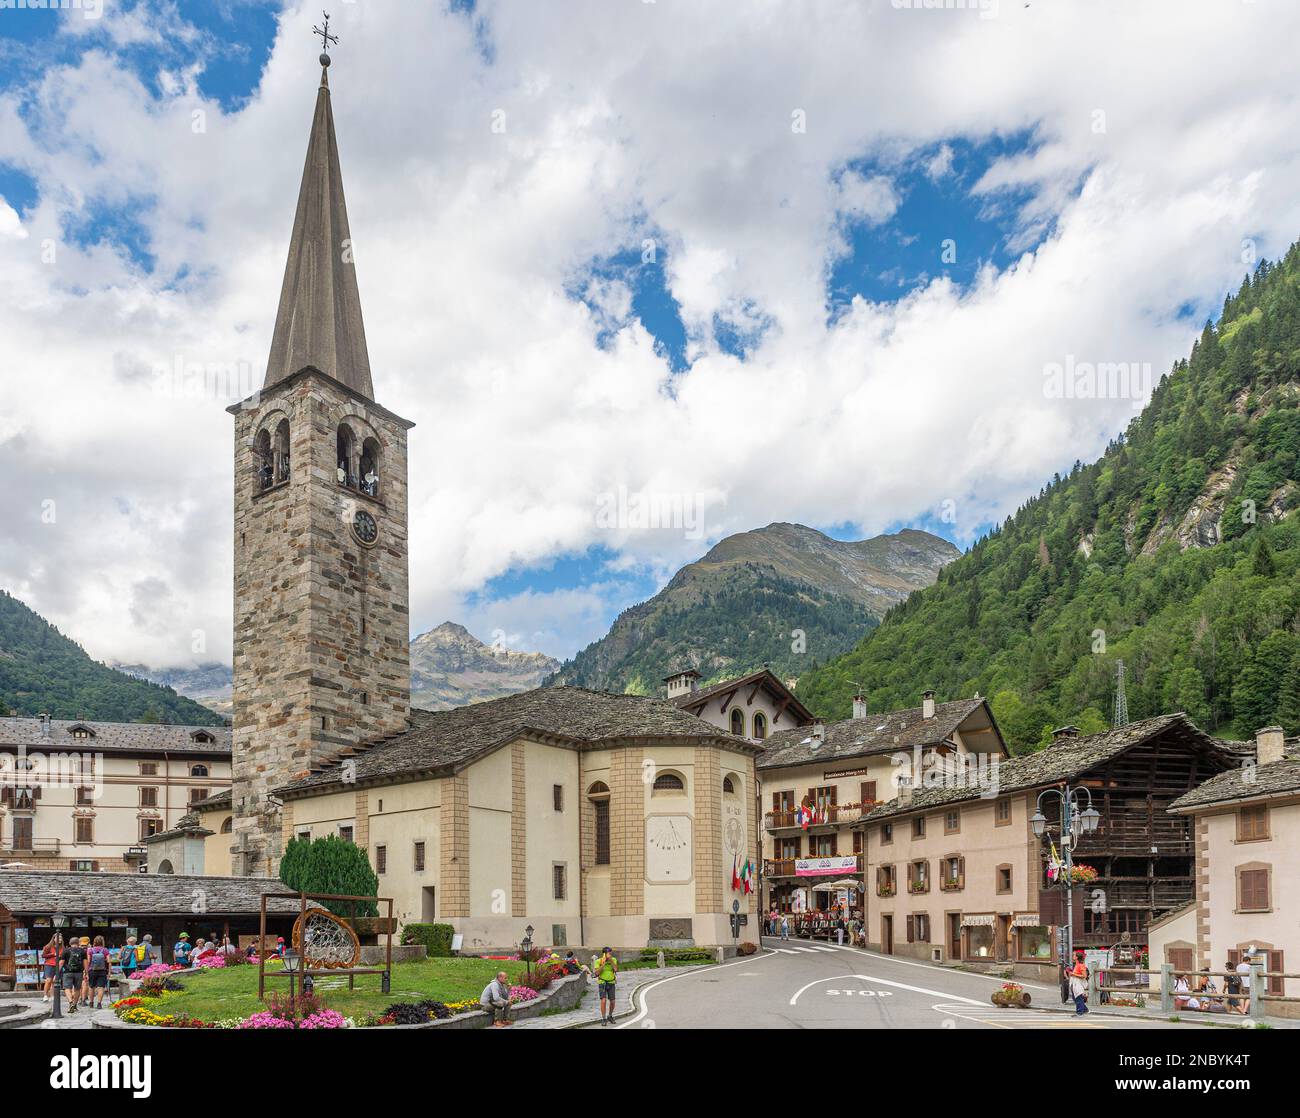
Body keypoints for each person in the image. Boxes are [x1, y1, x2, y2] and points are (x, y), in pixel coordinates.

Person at [60, 936, 86, 1014]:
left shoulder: (65, 951)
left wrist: (56, 973)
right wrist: (86, 972)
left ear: (70, 943)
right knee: (77, 989)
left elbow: (61, 963)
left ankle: (71, 1002)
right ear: (78, 943)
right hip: (79, 973)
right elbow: (85, 962)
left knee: (67, 988)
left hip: (68, 972)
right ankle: (74, 1005)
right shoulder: (82, 951)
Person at [86, 935, 112, 1009]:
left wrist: (86, 972)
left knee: (91, 987)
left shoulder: (90, 950)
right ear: (102, 942)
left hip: (92, 970)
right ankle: (99, 1003)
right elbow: (109, 961)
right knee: (101, 987)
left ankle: (91, 1003)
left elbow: (88, 961)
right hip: (102, 971)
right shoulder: (105, 950)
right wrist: (109, 972)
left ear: (94, 942)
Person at [595, 946, 618, 1025]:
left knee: (612, 1001)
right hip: (602, 982)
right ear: (604, 954)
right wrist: (603, 963)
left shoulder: (613, 959)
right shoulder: (598, 961)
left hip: (611, 982)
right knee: (603, 1001)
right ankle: (604, 1018)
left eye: (611, 953)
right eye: (608, 953)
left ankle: (610, 1016)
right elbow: (597, 973)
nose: (610, 955)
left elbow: (616, 969)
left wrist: (611, 960)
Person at [41, 934, 61, 1003]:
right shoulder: (48, 946)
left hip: (58, 965)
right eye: (58, 938)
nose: (59, 939)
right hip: (49, 965)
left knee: (54, 981)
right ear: (54, 939)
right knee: (49, 980)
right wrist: (53, 954)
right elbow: (43, 955)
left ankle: (52, 996)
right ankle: (45, 995)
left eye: (61, 938)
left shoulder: (62, 947)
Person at [1068, 951, 1089, 1016]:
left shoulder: (1081, 965)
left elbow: (1084, 976)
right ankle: (1085, 1010)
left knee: (1078, 998)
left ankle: (1079, 1012)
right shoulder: (1077, 965)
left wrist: (1073, 974)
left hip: (1078, 984)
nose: (1072, 956)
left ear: (1077, 957)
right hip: (1075, 983)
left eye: (1074, 955)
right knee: (1075, 998)